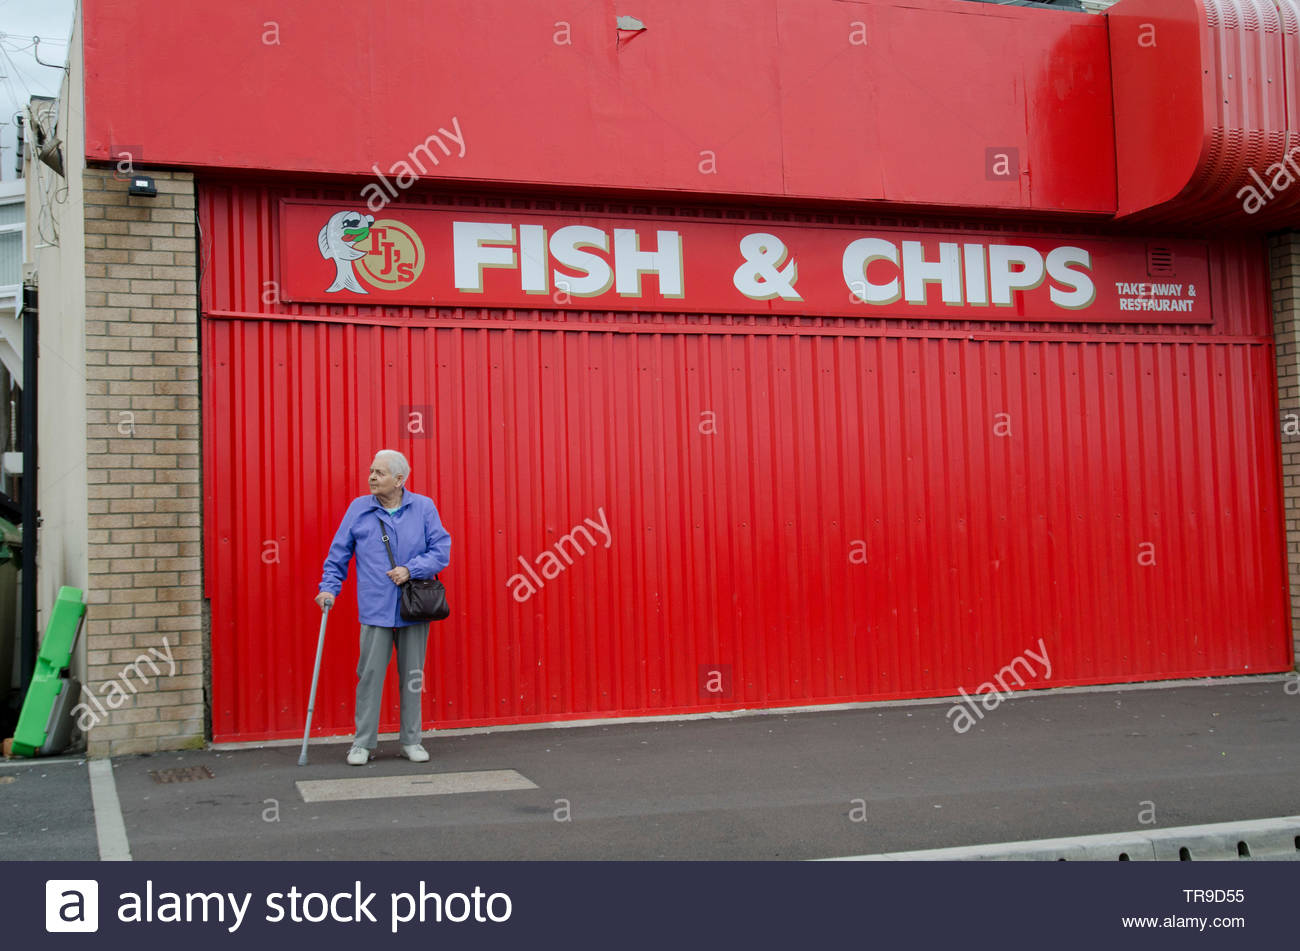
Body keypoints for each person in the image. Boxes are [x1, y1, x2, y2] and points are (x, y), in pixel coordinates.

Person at [315, 450, 451, 765]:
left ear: (399, 480)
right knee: (370, 676)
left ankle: (411, 741)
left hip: (413, 607)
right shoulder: (359, 510)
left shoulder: (424, 508)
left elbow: (441, 550)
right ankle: (362, 743)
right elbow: (339, 553)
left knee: (412, 677)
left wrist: (411, 569)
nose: (372, 477)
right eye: (371, 471)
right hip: (375, 607)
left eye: (379, 473)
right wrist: (328, 588)